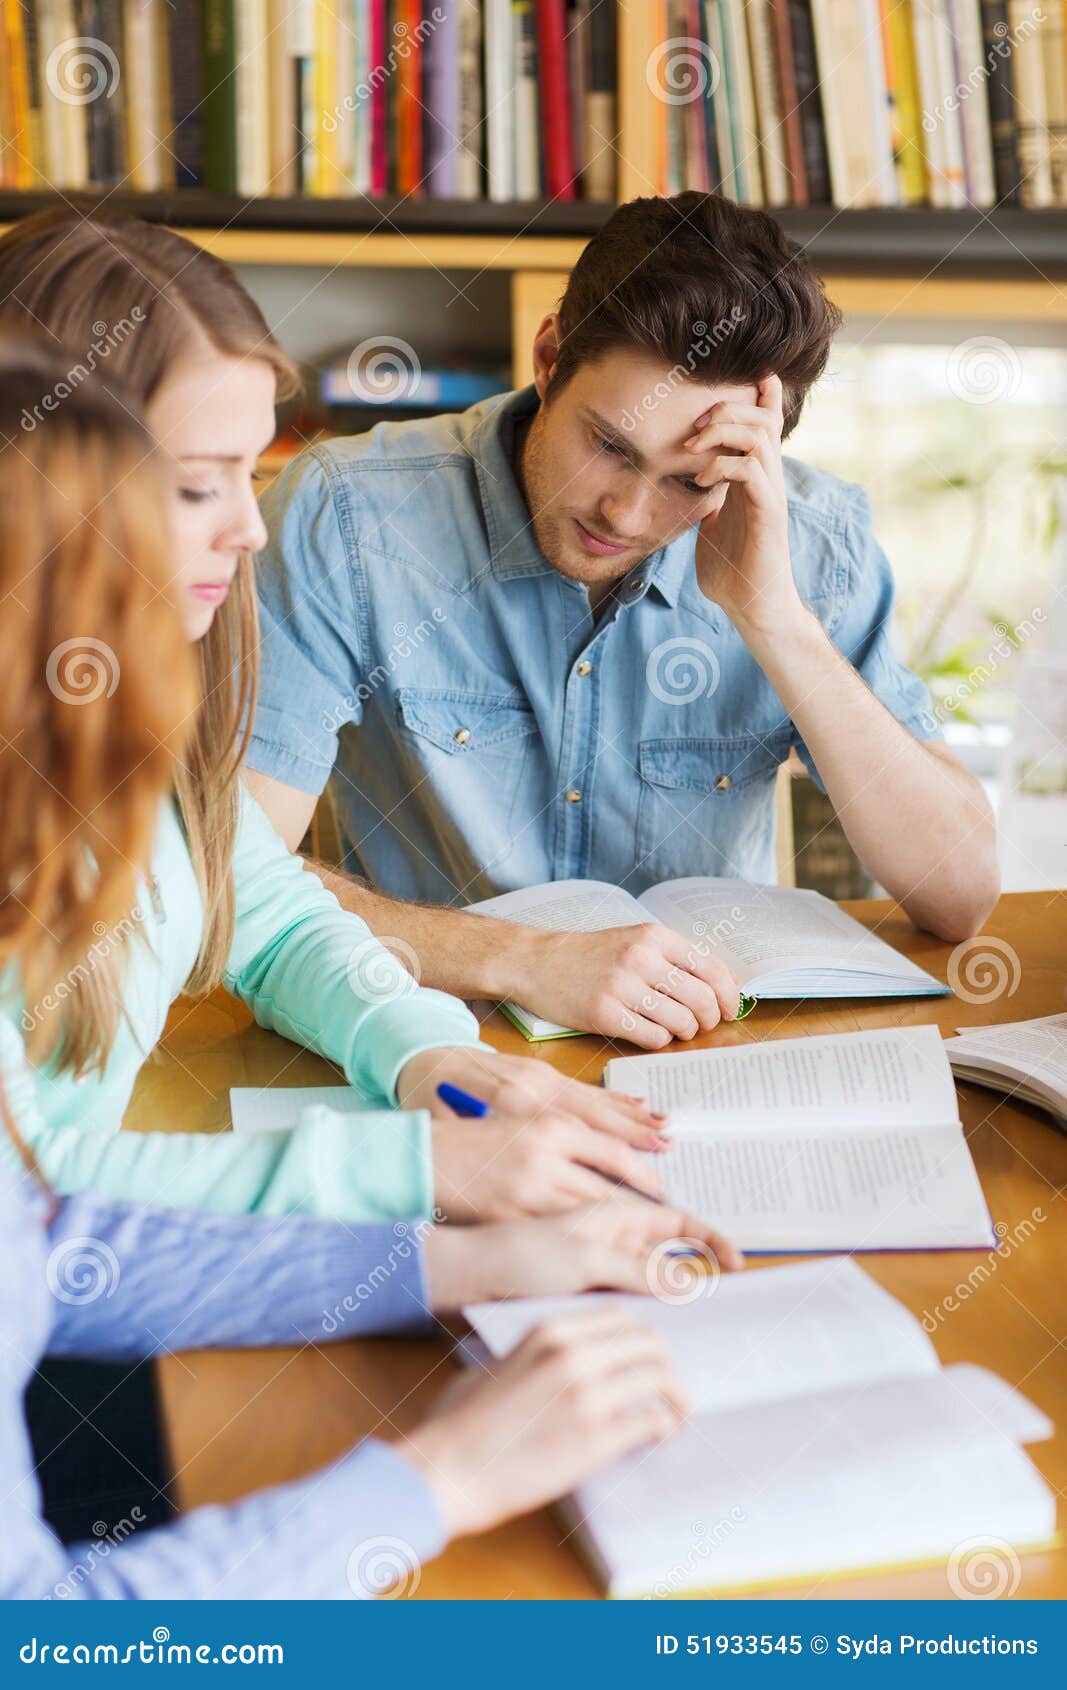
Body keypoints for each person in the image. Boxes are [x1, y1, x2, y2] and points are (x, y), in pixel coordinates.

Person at [242, 191, 999, 1049]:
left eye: (689, 482)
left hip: (709, 1053)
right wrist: (518, 959)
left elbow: (959, 895)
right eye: (609, 445)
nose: (626, 516)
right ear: (549, 358)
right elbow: (229, 877)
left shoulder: (818, 544)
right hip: (431, 1042)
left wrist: (774, 619)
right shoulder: (349, 516)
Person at [0, 254, 665, 1225]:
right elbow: (20, 1192)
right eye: (198, 486)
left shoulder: (120, 711)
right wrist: (411, 1173)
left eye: (248, 473)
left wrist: (426, 1053)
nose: (250, 530)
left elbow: (266, 914)